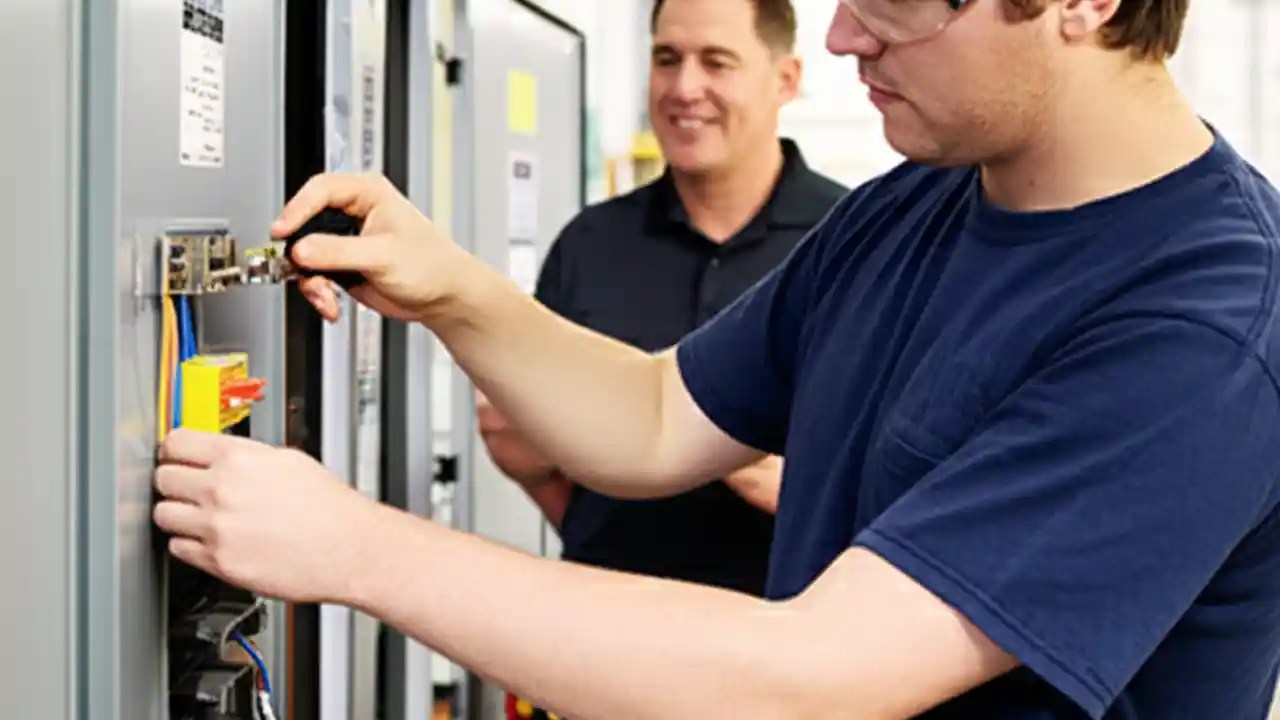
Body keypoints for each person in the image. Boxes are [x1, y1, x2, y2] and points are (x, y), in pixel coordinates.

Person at [152, 1, 1280, 718]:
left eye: (891, 2)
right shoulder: (918, 206)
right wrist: (454, 288)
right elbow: (652, 418)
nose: (839, 37)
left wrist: (357, 549)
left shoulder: (1200, 324)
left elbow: (824, 677)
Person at [475, 0, 846, 606]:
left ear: (786, 80)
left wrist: (793, 484)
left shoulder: (853, 244)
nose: (684, 88)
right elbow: (542, 462)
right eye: (666, 59)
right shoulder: (589, 245)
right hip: (606, 636)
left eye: (717, 62)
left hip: (782, 651)